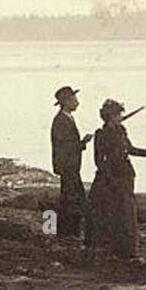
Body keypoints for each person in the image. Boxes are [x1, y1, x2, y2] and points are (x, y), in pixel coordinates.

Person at [87, 99, 146, 262]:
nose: (120, 117)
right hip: (111, 180)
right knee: (113, 214)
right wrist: (111, 179)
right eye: (117, 114)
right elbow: (99, 161)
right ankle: (114, 252)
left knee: (127, 214)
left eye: (120, 114)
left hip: (126, 177)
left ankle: (127, 253)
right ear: (109, 116)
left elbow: (131, 150)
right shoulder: (101, 134)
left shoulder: (121, 131)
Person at [50, 86, 92, 241]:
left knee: (71, 200)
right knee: (72, 200)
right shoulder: (61, 121)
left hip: (70, 167)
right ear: (66, 102)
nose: (77, 103)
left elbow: (67, 145)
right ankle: (67, 235)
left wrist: (81, 143)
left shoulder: (65, 119)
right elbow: (65, 147)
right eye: (74, 100)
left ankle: (67, 234)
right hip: (68, 168)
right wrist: (82, 143)